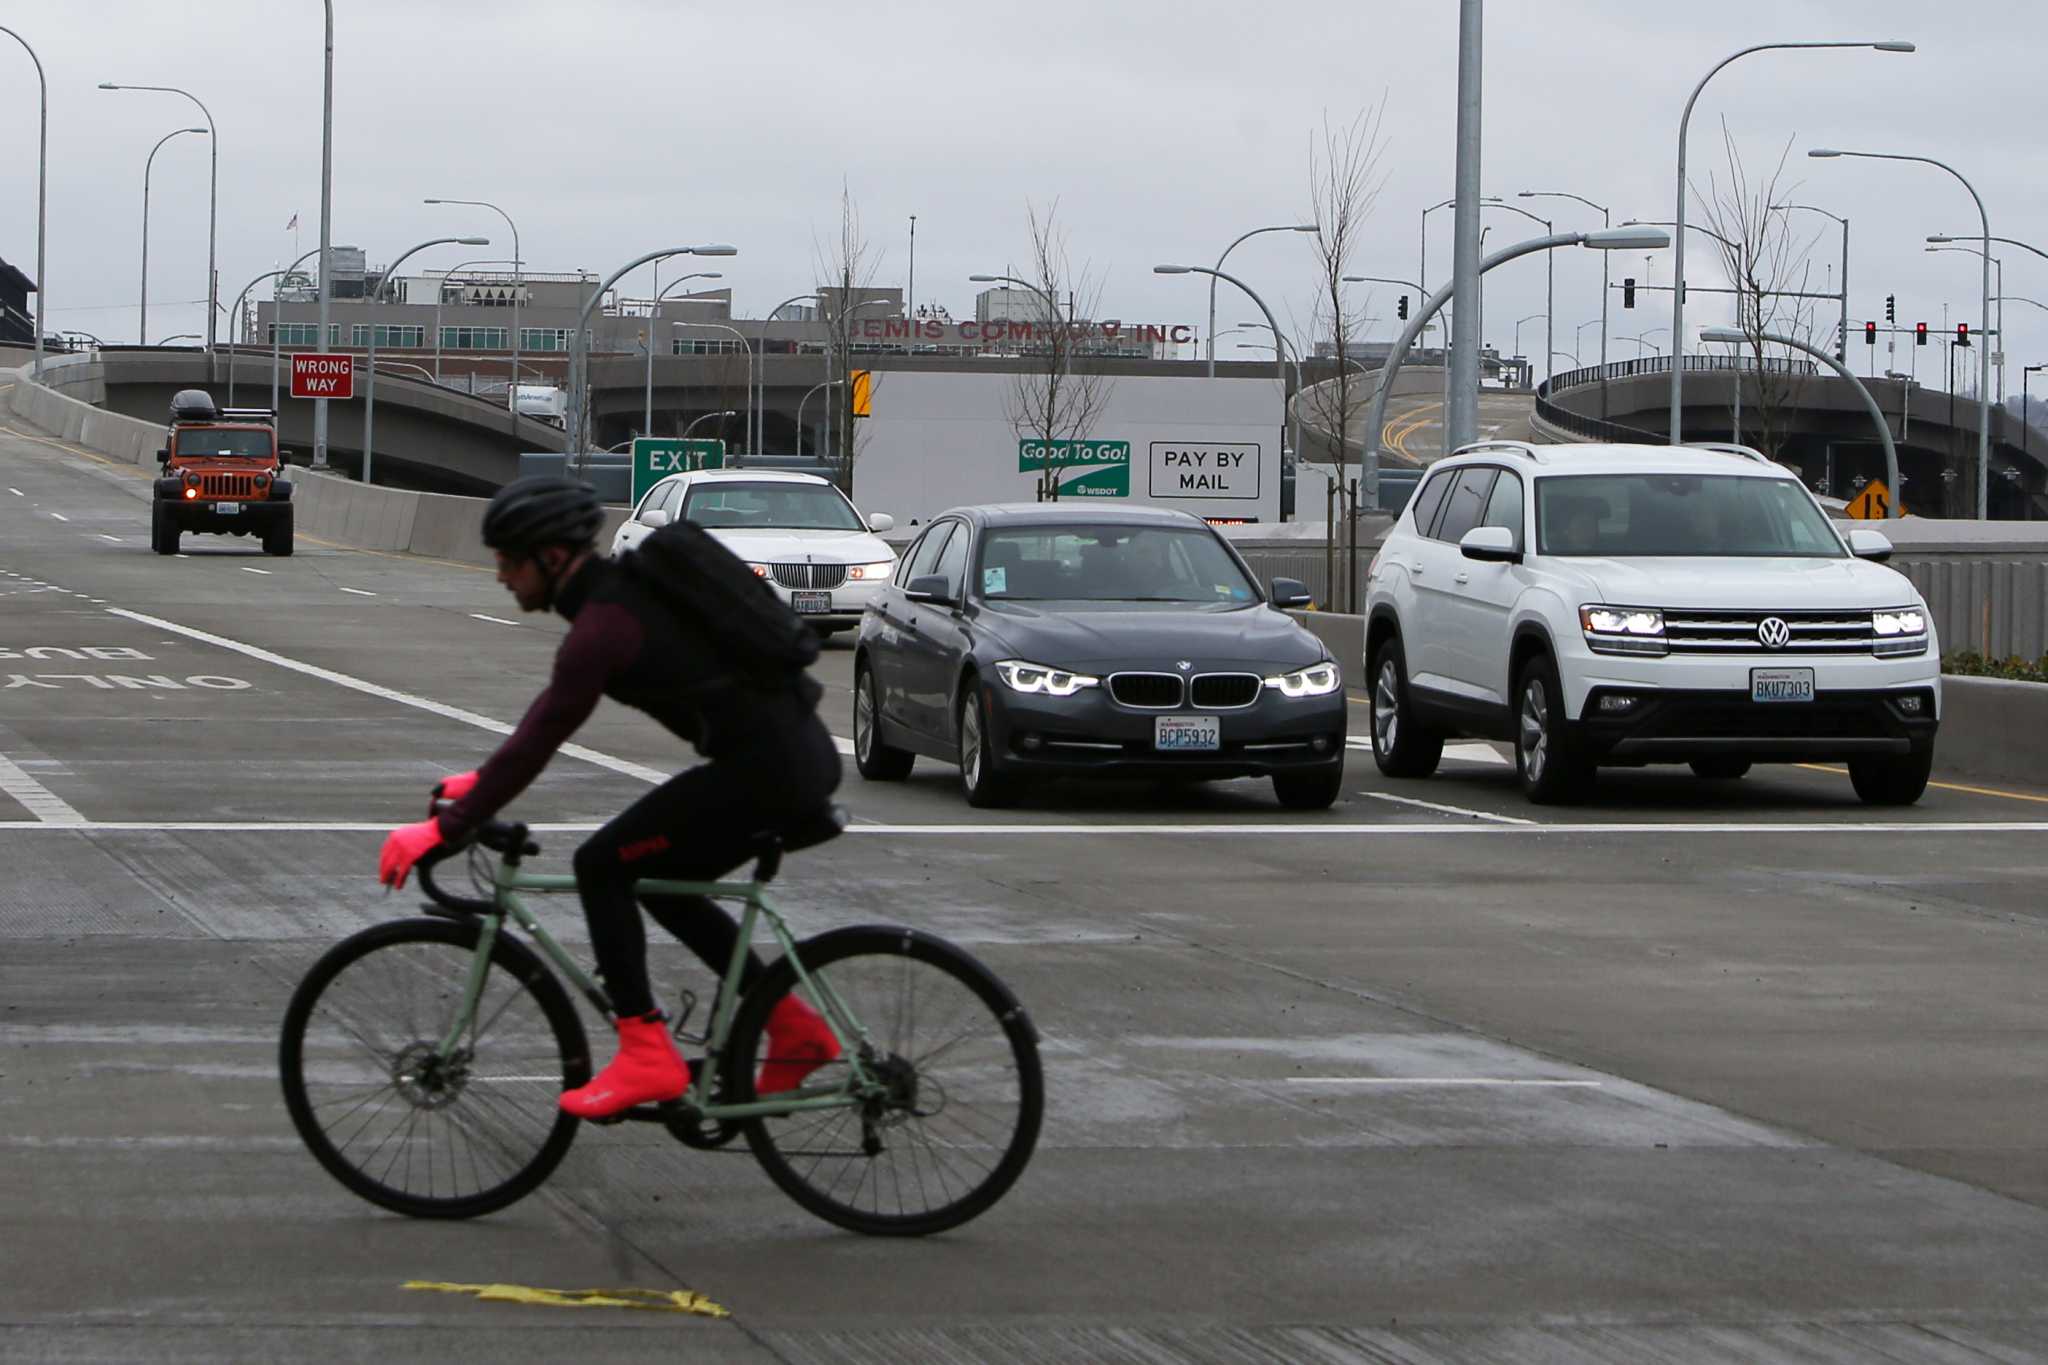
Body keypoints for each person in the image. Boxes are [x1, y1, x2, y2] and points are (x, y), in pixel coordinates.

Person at [376, 476, 844, 1120]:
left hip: (768, 773)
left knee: (602, 864)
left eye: (510, 561)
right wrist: (481, 789)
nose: (501, 576)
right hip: (784, 761)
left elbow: (543, 734)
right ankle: (793, 1029)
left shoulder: (604, 627)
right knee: (660, 883)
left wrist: (446, 827)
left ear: (552, 557)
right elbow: (540, 725)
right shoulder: (618, 602)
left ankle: (646, 1049)